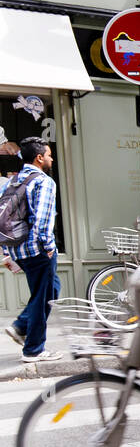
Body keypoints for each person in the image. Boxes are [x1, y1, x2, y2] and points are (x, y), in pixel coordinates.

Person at [3, 137, 63, 362]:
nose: (51, 158)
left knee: (50, 289)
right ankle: (34, 349)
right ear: (39, 158)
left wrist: (8, 253)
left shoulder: (13, 181)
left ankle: (21, 326)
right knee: (42, 298)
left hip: (19, 249)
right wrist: (48, 247)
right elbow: (43, 219)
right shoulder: (44, 181)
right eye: (48, 155)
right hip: (38, 249)